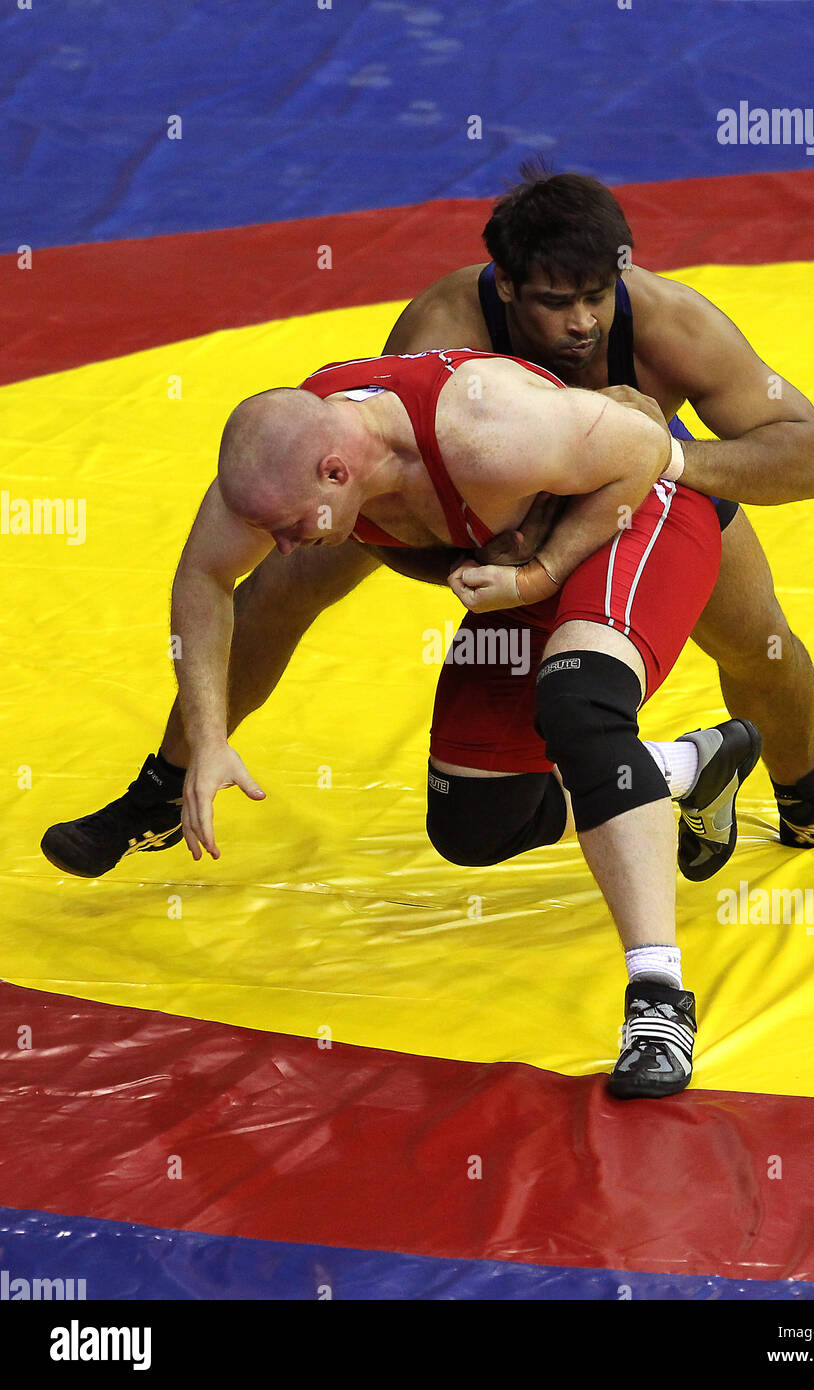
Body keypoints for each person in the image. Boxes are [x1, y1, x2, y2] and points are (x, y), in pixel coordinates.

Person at [42, 165, 814, 878]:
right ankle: (169, 783)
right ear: (504, 284)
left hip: (640, 487)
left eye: (596, 295)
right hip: (475, 510)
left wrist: (670, 455)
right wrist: (480, 567)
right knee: (278, 583)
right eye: (551, 300)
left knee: (756, 639)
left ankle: (804, 798)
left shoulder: (669, 322)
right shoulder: (446, 324)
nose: (580, 322)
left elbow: (810, 458)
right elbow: (387, 500)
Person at [150, 346, 758, 1097]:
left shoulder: (485, 425)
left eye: (287, 528)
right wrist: (209, 739)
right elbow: (204, 576)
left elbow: (645, 452)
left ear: (337, 474)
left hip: (631, 515)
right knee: (476, 820)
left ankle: (658, 1001)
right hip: (523, 553)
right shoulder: (279, 451)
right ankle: (691, 770)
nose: (282, 549)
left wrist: (540, 573)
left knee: (582, 708)